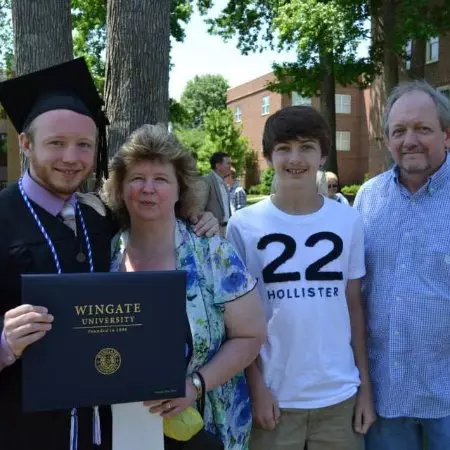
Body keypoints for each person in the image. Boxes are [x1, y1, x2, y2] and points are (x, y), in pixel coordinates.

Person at [0, 58, 218, 450]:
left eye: (84, 144)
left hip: (108, 429)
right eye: (56, 143)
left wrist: (200, 219)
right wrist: (4, 343)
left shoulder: (98, 218)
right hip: (23, 430)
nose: (71, 157)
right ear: (25, 143)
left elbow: (155, 216)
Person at [101, 124, 267, 450]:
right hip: (128, 427)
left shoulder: (211, 252)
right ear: (121, 188)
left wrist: (194, 385)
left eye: (161, 179)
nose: (148, 188)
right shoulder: (105, 255)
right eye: (137, 178)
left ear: (180, 190)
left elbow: (252, 334)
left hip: (207, 422)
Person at [226, 105, 376, 450]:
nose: (295, 158)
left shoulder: (347, 221)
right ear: (268, 157)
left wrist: (365, 389)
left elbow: (353, 307)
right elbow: (237, 323)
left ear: (323, 155)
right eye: (284, 149)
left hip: (338, 397)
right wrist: (256, 387)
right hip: (275, 399)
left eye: (306, 147)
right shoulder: (243, 226)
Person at [354, 80, 450, 450]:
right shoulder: (368, 198)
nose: (410, 140)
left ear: (446, 135)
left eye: (422, 129)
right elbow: (356, 292)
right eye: (399, 130)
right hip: (385, 397)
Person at [199, 152, 232, 235]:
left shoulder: (224, 183)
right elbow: (199, 209)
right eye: (228, 163)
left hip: (227, 229)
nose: (230, 166)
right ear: (218, 165)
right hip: (214, 231)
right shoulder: (206, 181)